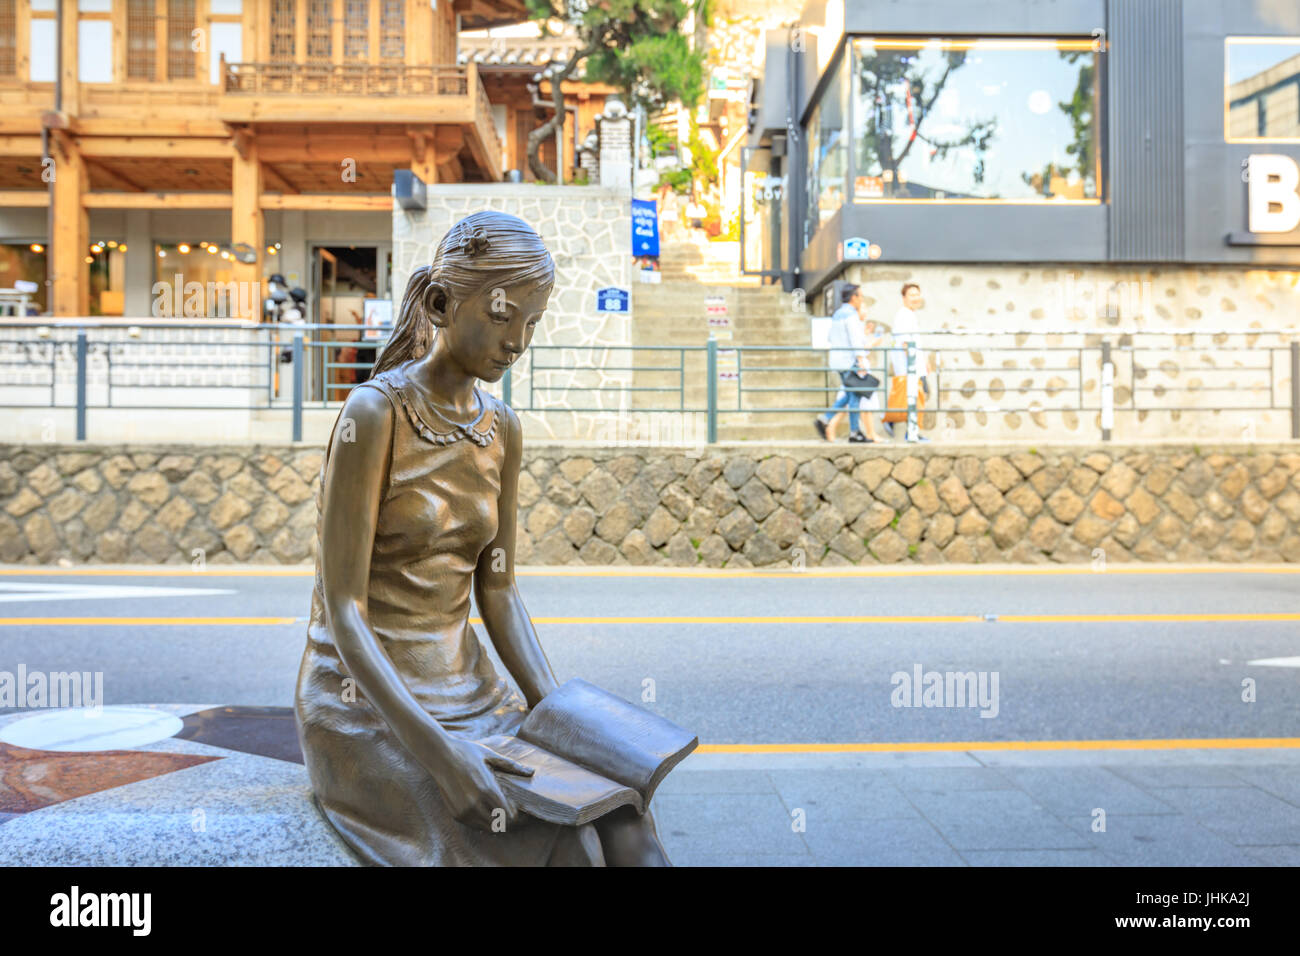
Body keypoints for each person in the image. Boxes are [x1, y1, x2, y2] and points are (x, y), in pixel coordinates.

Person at [295, 211, 668, 866]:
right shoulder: (374, 415)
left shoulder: (503, 429)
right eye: (503, 316)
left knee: (628, 819)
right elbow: (344, 611)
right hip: (371, 704)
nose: (517, 340)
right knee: (562, 844)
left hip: (472, 690)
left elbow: (498, 589)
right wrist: (440, 755)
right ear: (440, 304)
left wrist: (557, 714)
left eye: (531, 322)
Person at [814, 283, 885, 443]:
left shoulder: (838, 314)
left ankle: (853, 431)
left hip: (837, 359)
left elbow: (831, 337)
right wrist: (860, 359)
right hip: (849, 360)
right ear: (854, 297)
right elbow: (854, 339)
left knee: (852, 394)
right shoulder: (851, 315)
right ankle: (828, 419)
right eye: (860, 296)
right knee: (853, 394)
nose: (861, 299)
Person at [887, 282, 936, 442]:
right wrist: (914, 365)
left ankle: (908, 429)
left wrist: (924, 362)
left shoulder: (909, 314)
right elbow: (905, 342)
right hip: (910, 366)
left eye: (917, 294)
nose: (915, 298)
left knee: (917, 397)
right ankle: (905, 428)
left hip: (915, 365)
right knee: (916, 397)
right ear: (904, 298)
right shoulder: (904, 315)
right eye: (911, 295)